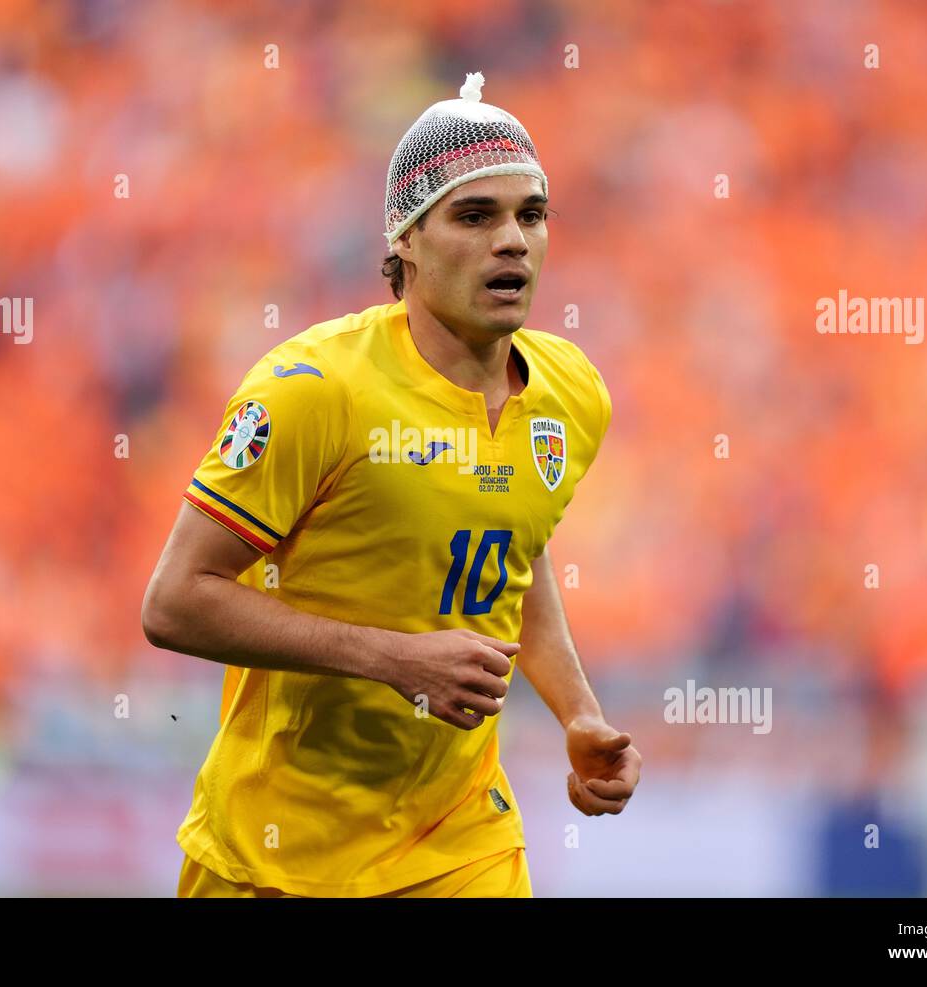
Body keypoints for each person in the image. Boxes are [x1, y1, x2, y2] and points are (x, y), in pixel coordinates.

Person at [142, 72, 640, 898]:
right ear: (405, 238)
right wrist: (395, 659)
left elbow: (517, 545)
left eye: (531, 214)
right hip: (276, 852)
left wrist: (577, 710)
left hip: (460, 846)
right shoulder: (313, 389)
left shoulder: (573, 392)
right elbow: (175, 601)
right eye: (474, 216)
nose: (512, 240)